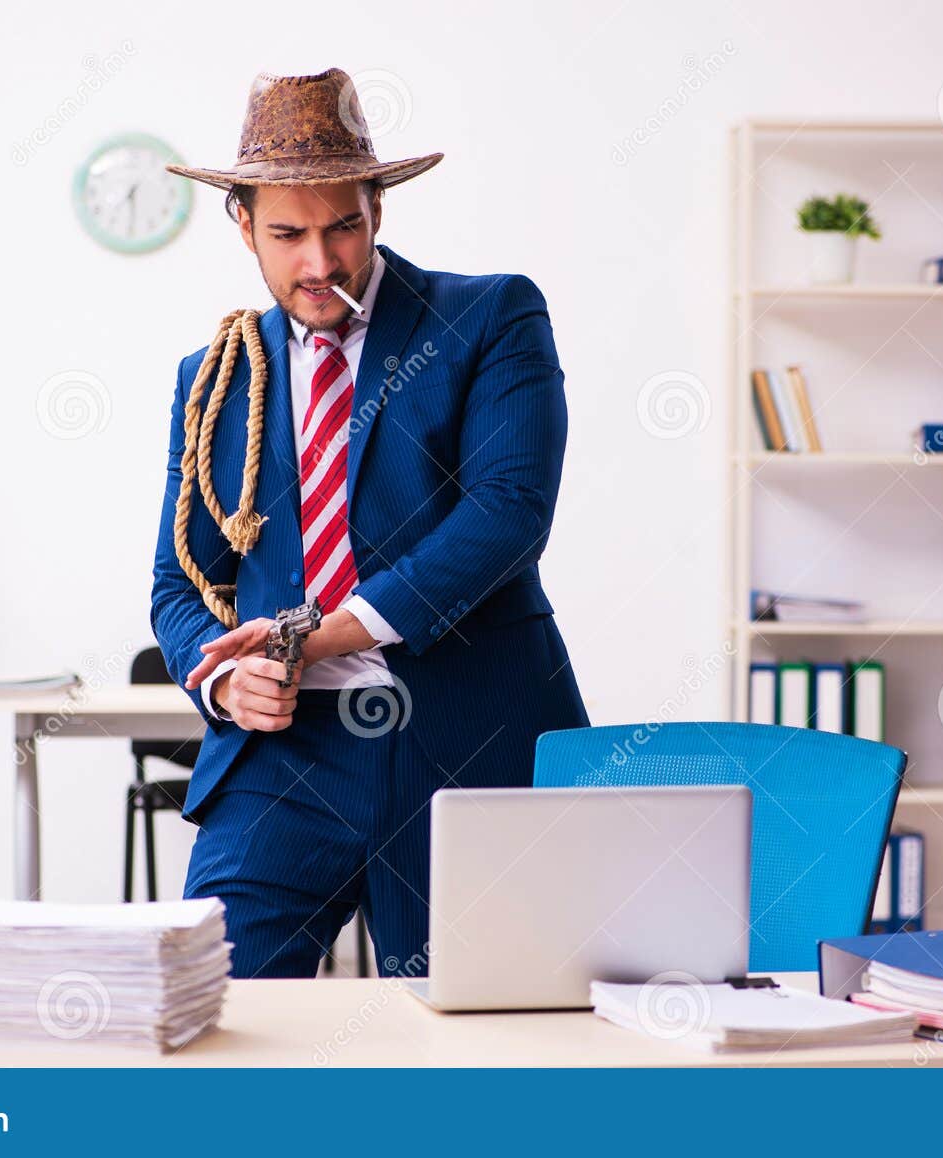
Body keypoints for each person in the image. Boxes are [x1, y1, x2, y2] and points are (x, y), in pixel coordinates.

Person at [149, 68, 588, 979]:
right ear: (241, 226)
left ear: (377, 208)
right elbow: (178, 585)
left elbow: (508, 515)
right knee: (211, 1005)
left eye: (341, 225)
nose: (320, 263)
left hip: (466, 742)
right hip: (287, 756)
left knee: (483, 1039)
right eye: (288, 234)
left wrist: (319, 635)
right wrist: (225, 688)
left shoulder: (489, 317)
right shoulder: (214, 376)